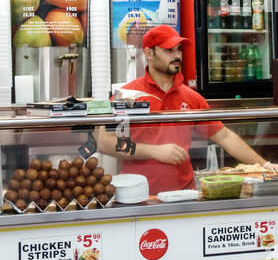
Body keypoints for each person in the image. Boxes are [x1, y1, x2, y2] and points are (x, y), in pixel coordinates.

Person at [97, 24, 267, 194]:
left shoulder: (191, 97)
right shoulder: (127, 94)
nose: (177, 55)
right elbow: (105, 142)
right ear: (149, 54)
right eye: (169, 50)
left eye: (178, 49)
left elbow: (225, 136)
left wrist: (265, 166)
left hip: (183, 195)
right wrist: (152, 151)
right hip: (137, 196)